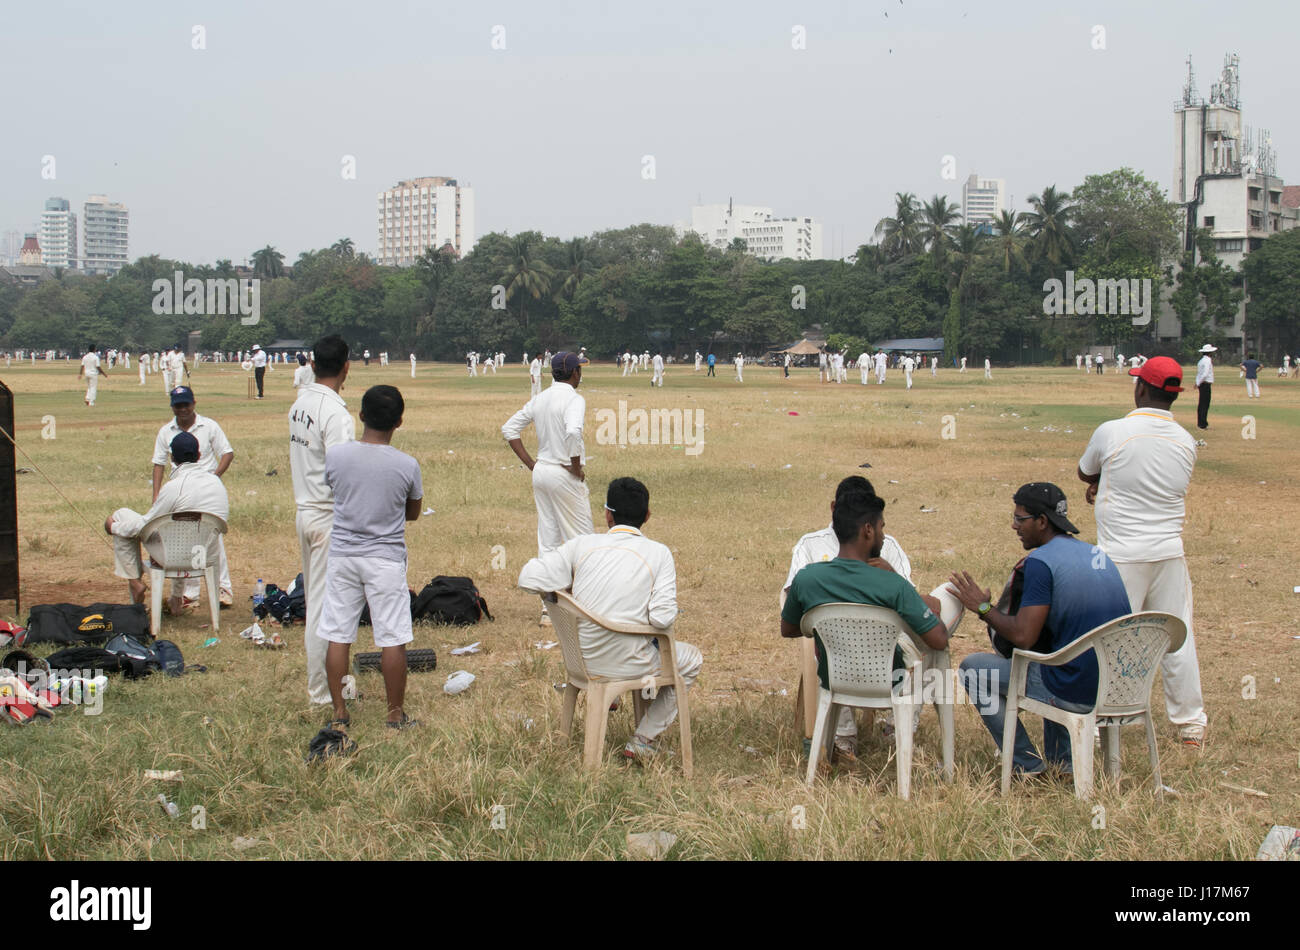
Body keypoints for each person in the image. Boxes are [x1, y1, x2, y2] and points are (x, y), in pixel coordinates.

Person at [948, 483, 1131, 778]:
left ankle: (1027, 765)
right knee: (1057, 655)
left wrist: (983, 609)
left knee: (973, 670)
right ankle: (1065, 764)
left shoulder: (1039, 563)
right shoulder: (1098, 555)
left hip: (1076, 689)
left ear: (1042, 522)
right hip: (1122, 687)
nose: (1013, 525)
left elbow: (1023, 636)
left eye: (1020, 519)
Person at [517, 476, 702, 763]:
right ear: (647, 516)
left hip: (581, 660)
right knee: (690, 660)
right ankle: (644, 739)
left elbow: (528, 577)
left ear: (607, 515)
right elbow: (663, 618)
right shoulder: (659, 553)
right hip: (629, 663)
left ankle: (615, 702)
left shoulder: (582, 545)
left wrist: (565, 588)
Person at [1077, 356, 1207, 747]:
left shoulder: (1113, 431)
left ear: (1141, 388)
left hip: (1120, 555)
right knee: (1176, 637)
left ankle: (1103, 724)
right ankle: (1190, 723)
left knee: (1108, 637)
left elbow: (1085, 471)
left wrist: (1101, 481)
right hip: (1169, 551)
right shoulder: (1186, 441)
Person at [781, 490, 950, 761]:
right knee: (932, 650)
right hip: (889, 680)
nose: (884, 535)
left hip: (833, 677)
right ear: (868, 530)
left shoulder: (807, 579)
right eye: (882, 527)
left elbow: (788, 629)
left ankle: (844, 738)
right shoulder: (894, 585)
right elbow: (939, 639)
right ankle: (900, 731)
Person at [317, 385, 422, 730]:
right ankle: (394, 714)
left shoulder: (337, 456)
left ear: (360, 416)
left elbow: (336, 491)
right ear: (399, 422)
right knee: (392, 637)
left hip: (344, 554)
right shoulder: (407, 465)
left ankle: (339, 712)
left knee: (339, 633)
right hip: (385, 558)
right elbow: (413, 512)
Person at [502, 351, 594, 626]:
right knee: (583, 539)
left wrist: (532, 463)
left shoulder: (540, 398)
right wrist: (576, 467)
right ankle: (586, 604)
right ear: (575, 373)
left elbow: (509, 429)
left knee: (549, 538)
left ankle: (549, 609)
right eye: (580, 369)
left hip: (542, 472)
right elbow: (573, 432)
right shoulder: (574, 399)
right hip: (563, 473)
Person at [289, 335, 357, 706]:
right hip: (328, 516)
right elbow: (341, 472)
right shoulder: (336, 414)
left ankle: (332, 683)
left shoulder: (300, 404)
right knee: (325, 608)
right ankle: (322, 692)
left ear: (313, 365)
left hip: (305, 510)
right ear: (346, 367)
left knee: (320, 601)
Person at [106, 432, 229, 615]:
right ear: (199, 455)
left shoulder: (174, 487)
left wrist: (113, 527)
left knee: (121, 515)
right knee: (179, 533)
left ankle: (134, 582)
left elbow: (145, 525)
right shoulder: (216, 483)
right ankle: (176, 600)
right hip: (206, 555)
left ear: (172, 458)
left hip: (174, 556)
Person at [151, 385, 235, 606]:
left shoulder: (209, 426)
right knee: (184, 536)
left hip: (207, 488)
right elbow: (159, 463)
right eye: (177, 406)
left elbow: (227, 453)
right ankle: (189, 593)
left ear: (194, 403)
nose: (182, 410)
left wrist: (214, 477)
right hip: (181, 489)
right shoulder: (166, 431)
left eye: (186, 405)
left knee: (212, 534)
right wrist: (157, 494)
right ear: (172, 407)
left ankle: (222, 588)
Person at [1194, 344, 1215, 429]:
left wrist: (1197, 382)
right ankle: (1202, 424)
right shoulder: (1207, 361)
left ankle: (1201, 422)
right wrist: (1198, 383)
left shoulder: (1201, 361)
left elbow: (1199, 374)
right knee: (1204, 404)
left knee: (1202, 404)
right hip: (1205, 384)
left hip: (1202, 384)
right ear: (1209, 353)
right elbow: (1205, 373)